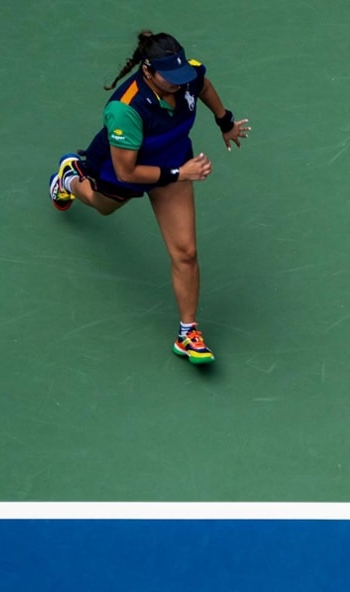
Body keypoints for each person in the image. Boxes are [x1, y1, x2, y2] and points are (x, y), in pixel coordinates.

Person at [47, 30, 251, 364]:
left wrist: (224, 120)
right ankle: (69, 178)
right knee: (102, 206)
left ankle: (187, 333)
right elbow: (127, 172)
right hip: (123, 168)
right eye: (170, 77)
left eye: (181, 74)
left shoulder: (185, 74)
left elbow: (203, 85)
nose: (179, 82)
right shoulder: (125, 109)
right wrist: (179, 173)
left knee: (185, 252)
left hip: (173, 160)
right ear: (147, 71)